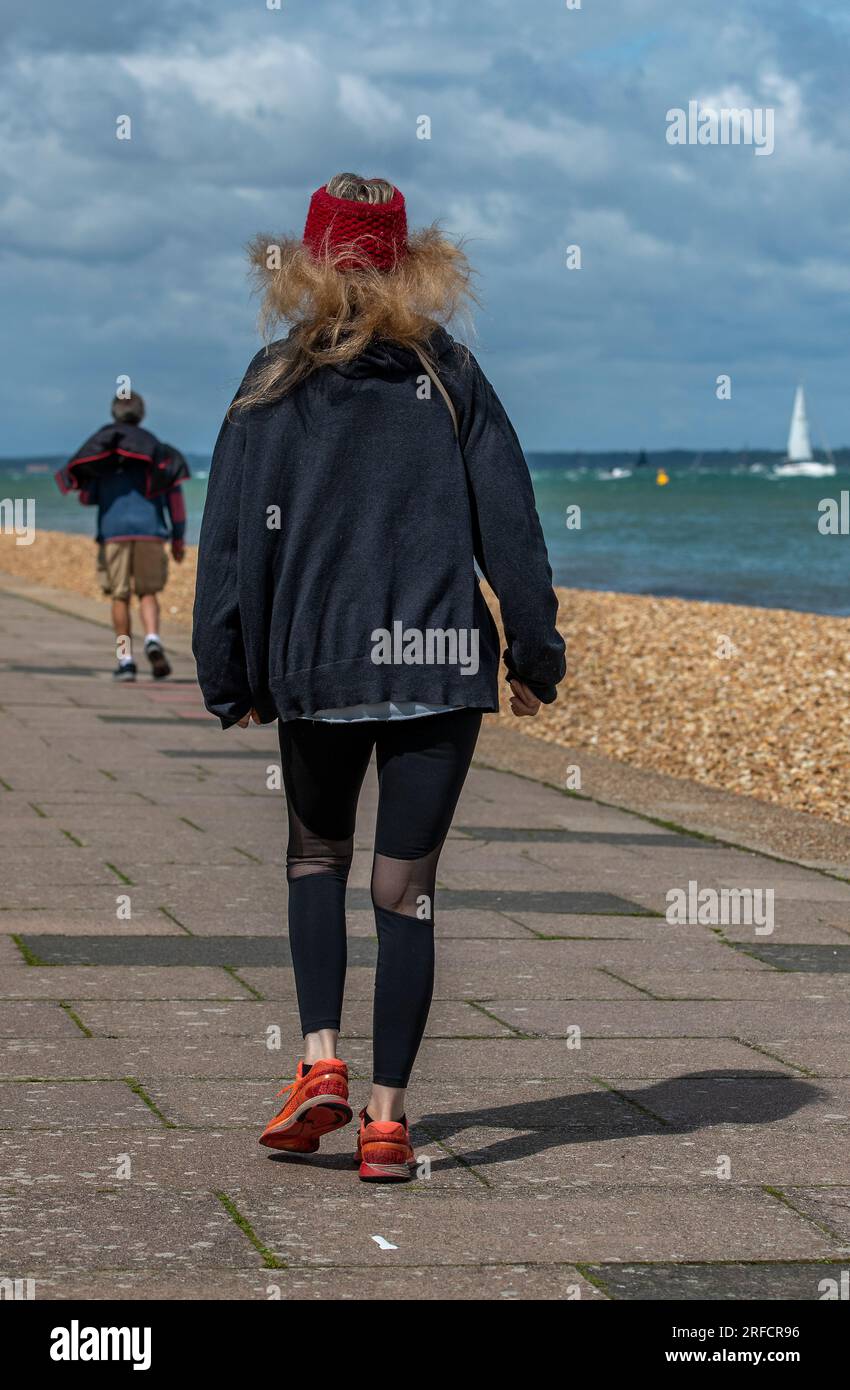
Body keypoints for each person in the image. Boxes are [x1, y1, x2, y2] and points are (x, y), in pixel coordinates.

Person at [192, 173, 566, 1181]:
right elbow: (513, 530)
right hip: (441, 663)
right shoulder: (448, 373)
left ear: (306, 265)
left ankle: (318, 1063)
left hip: (315, 656)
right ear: (412, 265)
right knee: (407, 893)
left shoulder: (270, 381)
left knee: (315, 857)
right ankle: (389, 1123)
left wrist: (229, 672)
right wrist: (534, 655)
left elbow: (228, 543)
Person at [57, 391, 188, 680]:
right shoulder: (157, 452)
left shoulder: (102, 456)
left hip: (113, 533)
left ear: (114, 414)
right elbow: (175, 502)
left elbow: (86, 497)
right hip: (151, 532)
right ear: (141, 415)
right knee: (148, 593)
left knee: (119, 596)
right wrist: (178, 539)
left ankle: (126, 660)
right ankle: (153, 638)